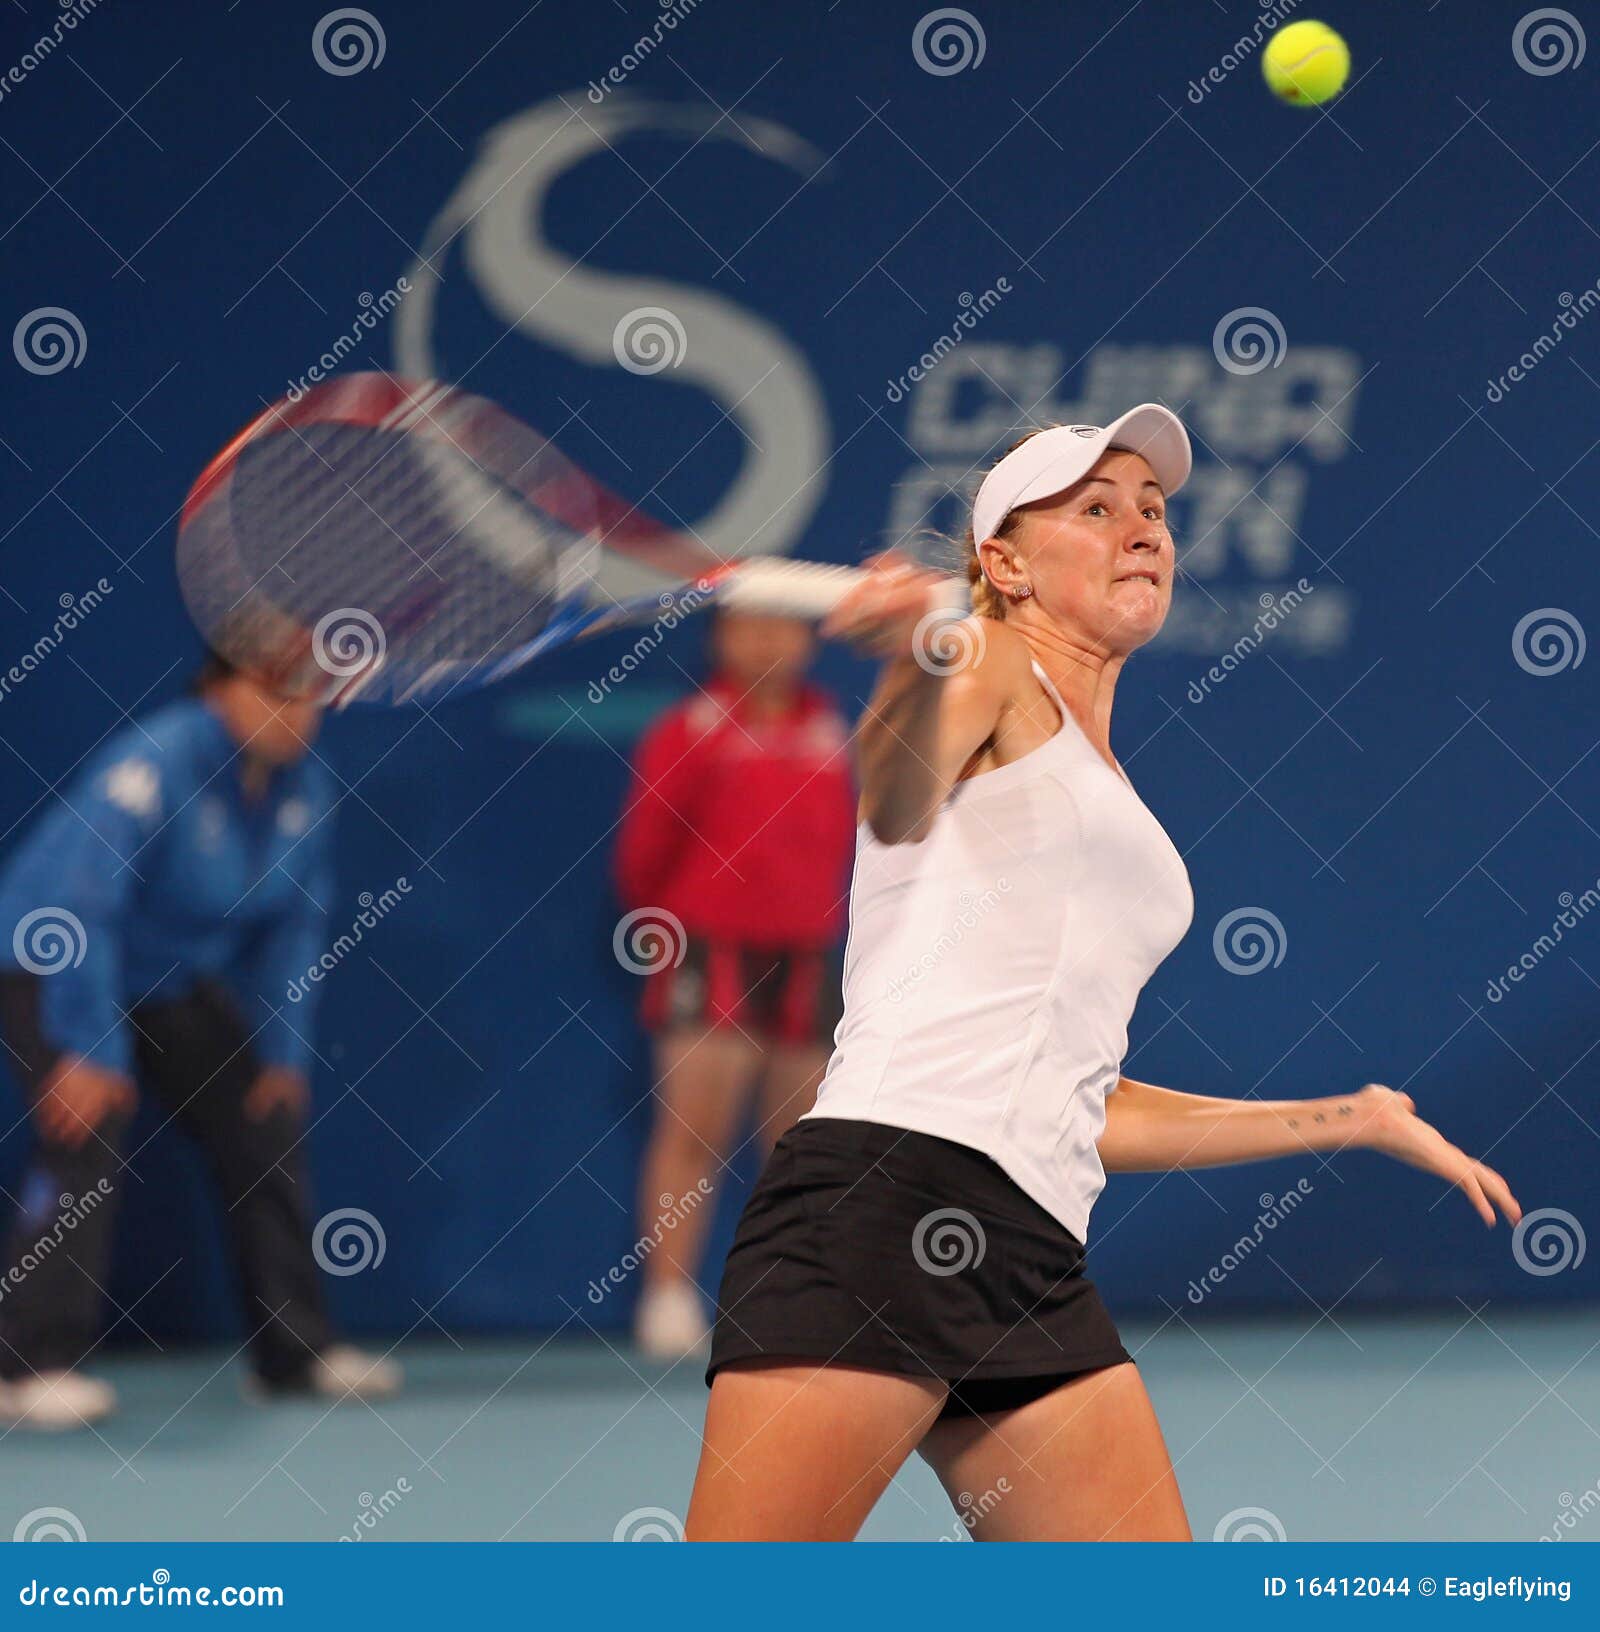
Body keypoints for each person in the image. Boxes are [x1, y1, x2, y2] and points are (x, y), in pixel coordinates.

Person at [684, 404, 1522, 1541]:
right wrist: (916, 653)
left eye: (1154, 509)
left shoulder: (1101, 780)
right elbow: (890, 792)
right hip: (882, 1203)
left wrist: (1350, 1119)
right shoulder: (980, 661)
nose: (1141, 528)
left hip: (1026, 1242)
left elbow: (1085, 1106)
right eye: (1095, 507)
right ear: (1004, 565)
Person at [0, 654, 399, 1429]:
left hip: (167, 980)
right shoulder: (154, 761)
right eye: (273, 690)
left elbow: (296, 932)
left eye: (309, 695)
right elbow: (82, 907)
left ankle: (293, 1354)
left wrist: (283, 1054)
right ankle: (27, 1363)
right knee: (88, 1119)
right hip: (49, 957)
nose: (296, 710)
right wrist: (91, 1048)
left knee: (261, 1120)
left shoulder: (309, 786)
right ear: (220, 691)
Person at [616, 610, 857, 1360]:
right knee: (693, 1133)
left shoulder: (834, 732)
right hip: (708, 952)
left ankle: (796, 1302)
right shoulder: (687, 729)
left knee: (802, 1147)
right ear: (719, 640)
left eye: (780, 629)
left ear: (808, 640)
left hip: (809, 958)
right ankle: (667, 1297)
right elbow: (641, 859)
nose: (765, 642)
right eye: (748, 628)